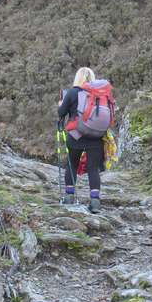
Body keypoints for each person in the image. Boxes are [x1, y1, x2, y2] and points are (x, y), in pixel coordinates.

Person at [58, 67, 106, 213]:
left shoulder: (72, 92)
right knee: (93, 168)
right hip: (96, 137)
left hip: (75, 135)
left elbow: (61, 113)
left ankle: (69, 197)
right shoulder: (100, 94)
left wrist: (60, 104)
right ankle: (95, 201)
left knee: (72, 164)